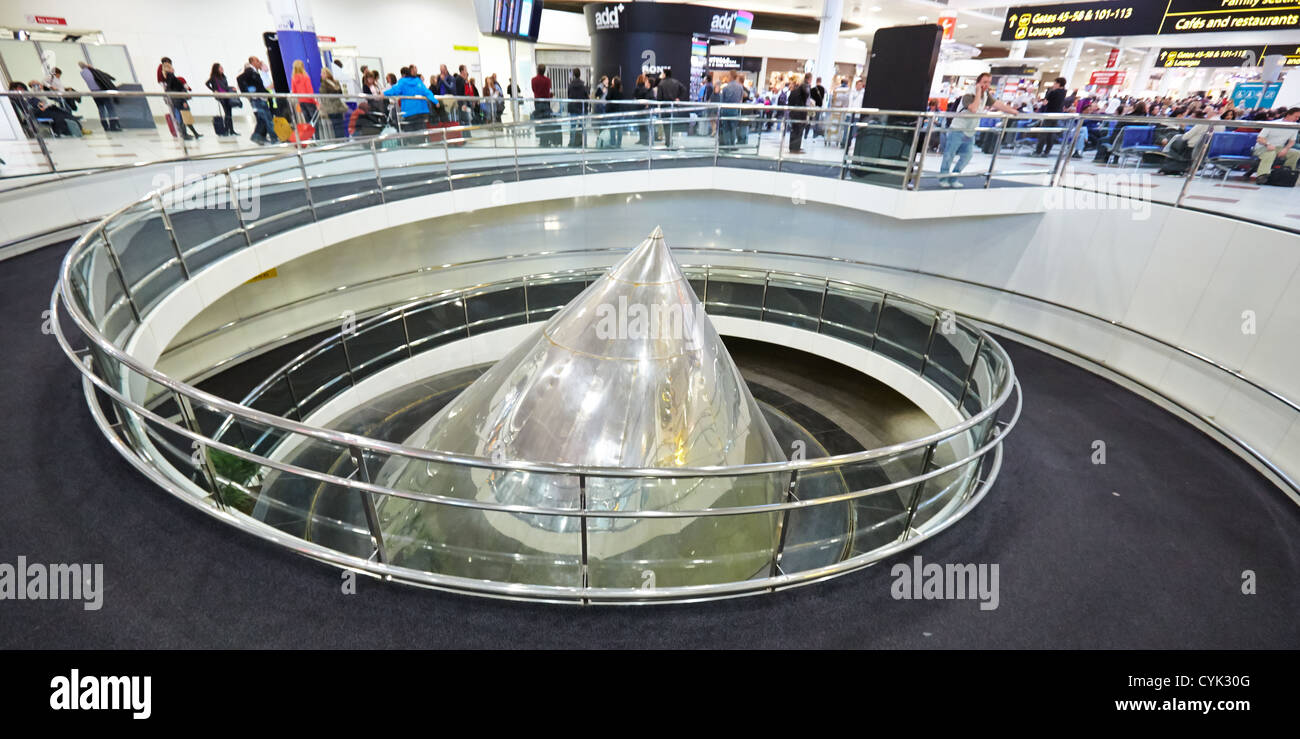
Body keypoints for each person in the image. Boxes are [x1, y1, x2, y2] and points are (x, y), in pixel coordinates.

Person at [940, 73, 1017, 187]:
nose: (987, 85)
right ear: (978, 82)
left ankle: (953, 178)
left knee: (967, 156)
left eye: (989, 82)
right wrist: (978, 92)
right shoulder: (969, 94)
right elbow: (974, 108)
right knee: (949, 155)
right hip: (957, 129)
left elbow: (997, 104)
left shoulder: (985, 94)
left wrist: (1013, 111)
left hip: (970, 131)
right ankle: (943, 179)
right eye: (984, 82)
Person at [382, 66, 439, 136]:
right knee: (422, 133)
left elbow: (394, 90)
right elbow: (427, 92)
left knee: (411, 135)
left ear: (403, 75)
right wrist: (435, 101)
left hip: (409, 111)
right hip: (421, 111)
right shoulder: (418, 81)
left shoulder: (402, 82)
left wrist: (383, 93)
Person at [1252, 106, 1300, 184]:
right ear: (1288, 115)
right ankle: (1262, 175)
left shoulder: (1294, 127)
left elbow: (1292, 141)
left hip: (1279, 148)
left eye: (1298, 117)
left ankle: (1286, 173)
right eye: (1296, 116)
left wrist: (1286, 149)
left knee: (1296, 153)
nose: (1297, 119)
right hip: (1263, 147)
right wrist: (1267, 144)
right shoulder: (1273, 124)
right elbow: (1260, 138)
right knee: (1270, 153)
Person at [238, 58, 277, 145]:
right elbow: (240, 78)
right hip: (258, 99)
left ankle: (258, 136)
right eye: (257, 61)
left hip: (260, 98)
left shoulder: (255, 72)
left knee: (262, 119)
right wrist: (248, 93)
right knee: (267, 119)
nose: (259, 62)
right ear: (252, 62)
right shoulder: (250, 72)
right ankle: (274, 138)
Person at [161, 60, 202, 139]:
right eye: (171, 67)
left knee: (184, 117)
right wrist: (183, 101)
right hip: (179, 100)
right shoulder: (172, 77)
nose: (173, 68)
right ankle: (184, 135)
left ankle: (191, 134)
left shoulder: (168, 78)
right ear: (169, 69)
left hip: (176, 100)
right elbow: (178, 90)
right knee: (184, 117)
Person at [77, 61, 121, 132]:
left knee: (101, 109)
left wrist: (89, 68)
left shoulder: (82, 73)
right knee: (110, 108)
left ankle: (105, 126)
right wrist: (91, 68)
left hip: (94, 93)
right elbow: (104, 76)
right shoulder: (92, 71)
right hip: (102, 91)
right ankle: (113, 125)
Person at [1034, 77, 1067, 156]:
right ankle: (1047, 151)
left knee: (1043, 133)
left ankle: (1038, 151)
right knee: (1051, 133)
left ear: (1058, 84)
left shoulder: (1053, 92)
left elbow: (1045, 102)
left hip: (1049, 114)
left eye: (1055, 83)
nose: (1053, 85)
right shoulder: (1064, 92)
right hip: (1057, 115)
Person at [655, 67, 686, 147]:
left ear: (664, 74)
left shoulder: (661, 83)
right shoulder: (676, 82)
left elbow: (659, 98)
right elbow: (684, 89)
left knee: (666, 125)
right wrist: (678, 98)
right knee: (671, 124)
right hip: (674, 107)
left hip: (665, 107)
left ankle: (668, 141)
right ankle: (669, 141)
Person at [206, 63, 239, 137]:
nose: (222, 69)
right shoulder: (214, 77)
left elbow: (225, 86)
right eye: (220, 68)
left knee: (229, 113)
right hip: (221, 96)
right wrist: (214, 90)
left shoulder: (223, 76)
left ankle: (231, 130)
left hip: (227, 95)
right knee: (227, 113)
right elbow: (207, 83)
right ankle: (227, 129)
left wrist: (231, 88)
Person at [290, 59, 317, 137]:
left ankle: (311, 138)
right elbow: (310, 91)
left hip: (301, 101)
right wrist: (315, 101)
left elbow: (294, 92)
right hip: (309, 101)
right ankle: (317, 138)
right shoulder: (305, 77)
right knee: (314, 121)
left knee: (307, 121)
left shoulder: (293, 79)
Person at [318, 67, 347, 139]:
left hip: (338, 106)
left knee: (340, 123)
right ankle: (340, 139)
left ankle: (342, 138)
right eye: (322, 73)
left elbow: (340, 93)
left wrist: (336, 90)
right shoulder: (323, 84)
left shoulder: (335, 82)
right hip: (331, 107)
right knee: (336, 124)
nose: (321, 75)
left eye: (323, 73)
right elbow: (323, 95)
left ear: (327, 74)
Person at [787, 73, 812, 153]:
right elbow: (807, 95)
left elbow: (790, 102)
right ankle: (795, 148)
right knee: (798, 131)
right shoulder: (803, 89)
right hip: (800, 114)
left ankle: (793, 147)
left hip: (794, 113)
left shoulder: (794, 92)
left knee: (794, 131)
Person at [719, 71, 745, 147]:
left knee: (726, 128)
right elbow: (740, 100)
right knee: (733, 128)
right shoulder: (740, 87)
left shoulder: (726, 87)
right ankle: (733, 144)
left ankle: (727, 144)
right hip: (735, 110)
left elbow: (722, 101)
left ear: (730, 76)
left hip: (726, 110)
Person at [567, 68, 589, 147]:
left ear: (573, 75)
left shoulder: (570, 85)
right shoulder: (583, 85)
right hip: (582, 109)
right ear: (579, 74)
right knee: (583, 127)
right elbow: (587, 98)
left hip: (573, 108)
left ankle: (572, 143)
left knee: (572, 127)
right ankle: (583, 144)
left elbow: (568, 96)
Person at [633, 73, 653, 145]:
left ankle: (642, 140)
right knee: (644, 125)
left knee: (641, 125)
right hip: (644, 108)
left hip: (639, 108)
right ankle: (645, 140)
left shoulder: (637, 88)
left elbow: (634, 96)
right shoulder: (645, 88)